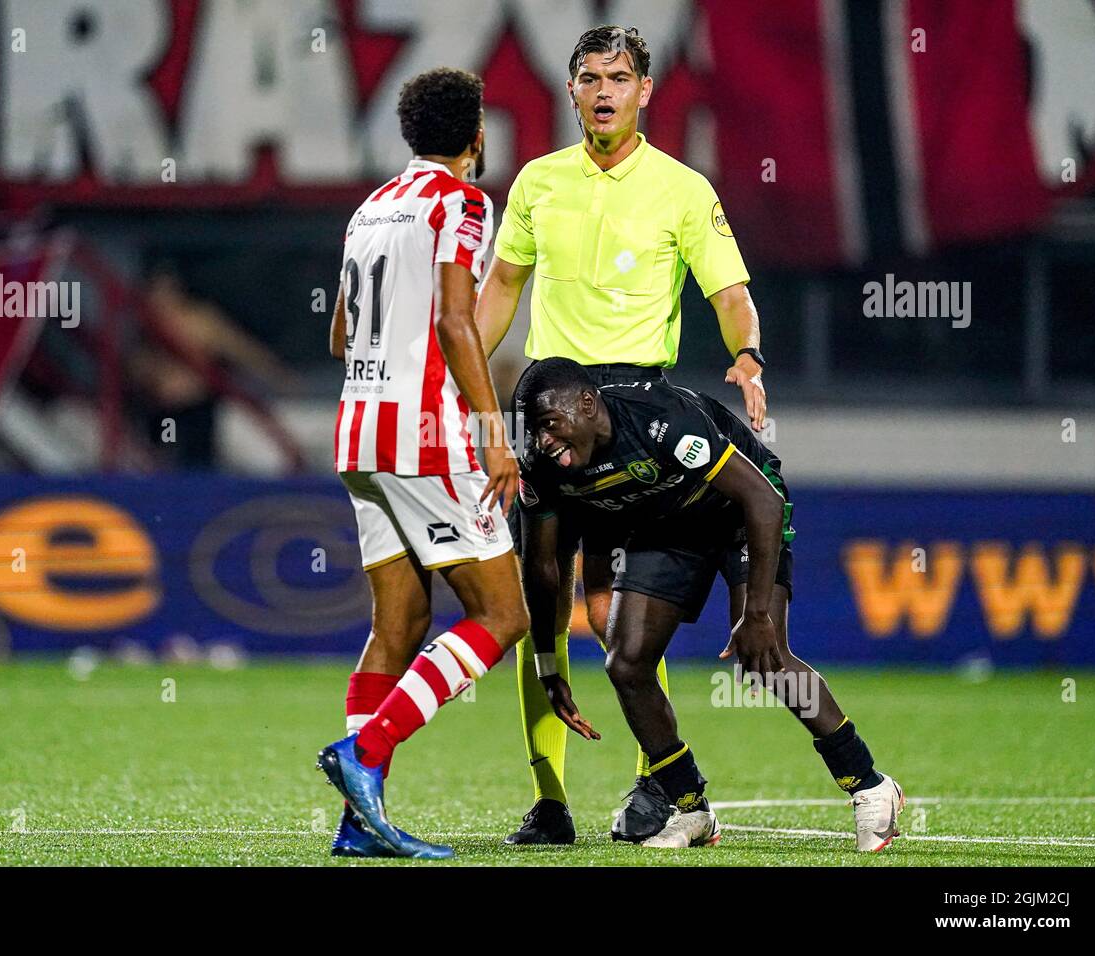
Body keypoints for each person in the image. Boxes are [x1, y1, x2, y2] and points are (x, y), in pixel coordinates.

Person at [473, 24, 770, 844]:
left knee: (625, 613)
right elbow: (502, 285)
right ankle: (550, 799)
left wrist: (745, 353)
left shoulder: (681, 188)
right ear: (569, 90)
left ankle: (654, 786)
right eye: (588, 77)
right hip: (548, 409)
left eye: (619, 77)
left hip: (640, 415)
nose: (603, 90)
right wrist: (457, 367)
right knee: (543, 605)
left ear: (645, 90)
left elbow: (730, 290)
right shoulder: (536, 181)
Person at [514, 358, 904, 852]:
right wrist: (549, 665)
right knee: (627, 664)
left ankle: (869, 785)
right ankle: (691, 809)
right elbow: (542, 566)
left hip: (741, 509)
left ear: (587, 405)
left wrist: (756, 614)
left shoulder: (661, 421)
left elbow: (762, 500)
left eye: (550, 424)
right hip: (669, 523)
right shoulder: (538, 465)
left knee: (767, 659)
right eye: (535, 430)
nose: (544, 440)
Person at [316, 68, 529, 859]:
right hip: (425, 432)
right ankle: (364, 754)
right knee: (503, 615)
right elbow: (455, 319)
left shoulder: (368, 209)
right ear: (476, 137)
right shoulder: (465, 202)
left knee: (398, 625)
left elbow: (339, 334)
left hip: (357, 431)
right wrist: (493, 428)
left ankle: (357, 823)